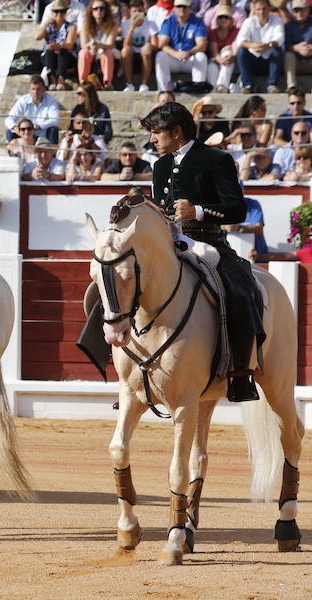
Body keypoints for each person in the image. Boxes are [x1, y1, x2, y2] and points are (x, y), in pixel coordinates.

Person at [142, 101, 264, 401]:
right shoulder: (159, 165)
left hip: (208, 241)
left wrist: (198, 211)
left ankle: (240, 373)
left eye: (157, 132)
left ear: (177, 131)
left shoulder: (216, 159)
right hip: (168, 243)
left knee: (240, 289)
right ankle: (128, 373)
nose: (152, 140)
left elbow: (237, 209)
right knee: (119, 280)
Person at [156, 0, 208, 92]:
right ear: (174, 8)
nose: (182, 9)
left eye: (185, 7)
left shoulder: (198, 21)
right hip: (174, 58)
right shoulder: (168, 21)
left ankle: (198, 89)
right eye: (179, 6)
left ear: (190, 8)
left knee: (201, 56)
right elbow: (162, 44)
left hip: (189, 58)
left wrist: (189, 53)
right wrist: (176, 54)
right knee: (160, 55)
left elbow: (202, 45)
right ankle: (164, 91)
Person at [235, 0, 285, 94]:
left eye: (264, 9)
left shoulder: (277, 20)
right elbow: (240, 40)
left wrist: (268, 45)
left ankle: (272, 85)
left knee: (277, 50)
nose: (261, 12)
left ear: (269, 8)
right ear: (255, 10)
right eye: (259, 9)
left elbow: (280, 39)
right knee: (241, 50)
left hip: (270, 61)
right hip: (253, 60)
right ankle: (248, 85)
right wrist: (253, 45)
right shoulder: (249, 21)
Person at [5, 75, 61, 145]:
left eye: (38, 89)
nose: (35, 92)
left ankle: (52, 154)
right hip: (26, 132)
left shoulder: (51, 101)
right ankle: (13, 154)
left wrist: (38, 126)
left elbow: (56, 120)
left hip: (43, 132)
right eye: (33, 89)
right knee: (10, 131)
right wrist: (15, 127)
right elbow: (9, 118)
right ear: (29, 90)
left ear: (44, 89)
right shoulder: (23, 100)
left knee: (53, 130)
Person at [78, 0, 119, 89]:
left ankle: (107, 83)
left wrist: (99, 45)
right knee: (83, 52)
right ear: (91, 11)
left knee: (107, 52)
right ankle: (82, 81)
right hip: (91, 51)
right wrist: (91, 45)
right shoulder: (85, 25)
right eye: (95, 9)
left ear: (106, 10)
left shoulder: (113, 24)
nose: (99, 11)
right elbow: (83, 44)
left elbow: (110, 44)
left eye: (102, 8)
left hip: (106, 51)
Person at [121, 0, 159, 92]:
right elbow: (125, 45)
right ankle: (129, 84)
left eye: (140, 11)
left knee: (146, 49)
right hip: (131, 54)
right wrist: (131, 29)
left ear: (144, 10)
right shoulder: (125, 24)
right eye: (135, 11)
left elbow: (155, 44)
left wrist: (148, 46)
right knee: (125, 51)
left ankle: (144, 84)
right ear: (130, 11)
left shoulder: (151, 23)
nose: (137, 14)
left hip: (146, 55)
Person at [206, 4, 239, 93]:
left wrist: (231, 57)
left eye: (226, 17)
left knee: (227, 52)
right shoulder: (212, 32)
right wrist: (220, 60)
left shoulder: (236, 31)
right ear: (217, 19)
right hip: (216, 59)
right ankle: (213, 91)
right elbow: (214, 51)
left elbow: (235, 46)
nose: (223, 19)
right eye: (221, 17)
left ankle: (222, 85)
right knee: (211, 67)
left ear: (231, 20)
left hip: (229, 60)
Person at [285, 0, 312, 91]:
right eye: (296, 10)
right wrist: (296, 48)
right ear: (293, 12)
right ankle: (292, 86)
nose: (299, 13)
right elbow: (284, 46)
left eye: (302, 10)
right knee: (288, 55)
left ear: (308, 10)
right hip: (296, 63)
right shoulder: (288, 26)